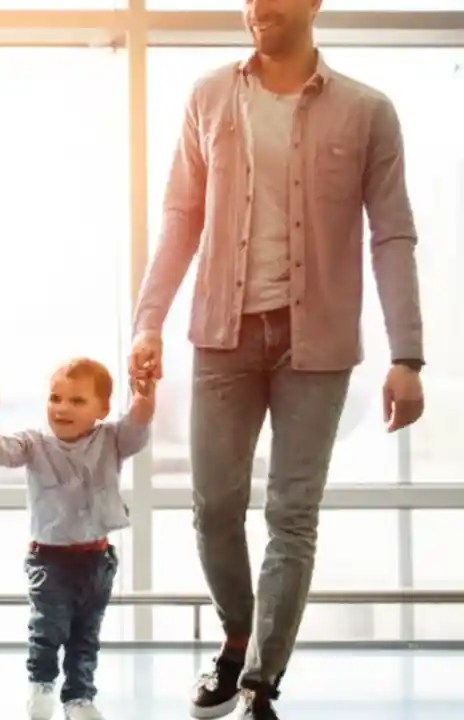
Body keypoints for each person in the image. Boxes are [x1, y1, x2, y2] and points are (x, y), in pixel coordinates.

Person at [128, 1, 427, 718]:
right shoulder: (208, 97)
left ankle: (261, 680)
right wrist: (147, 323)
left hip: (315, 343)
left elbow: (392, 234)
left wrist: (407, 355)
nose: (260, 6)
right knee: (214, 510)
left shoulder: (367, 111)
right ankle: (237, 636)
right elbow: (180, 216)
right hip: (222, 336)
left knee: (292, 514)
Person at [0, 358, 155, 720]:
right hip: (49, 560)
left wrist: (145, 397)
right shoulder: (33, 443)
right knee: (48, 628)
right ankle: (40, 686)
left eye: (77, 401)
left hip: (97, 560)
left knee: (85, 636)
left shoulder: (111, 438)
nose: (63, 408)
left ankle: (78, 698)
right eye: (56, 398)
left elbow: (138, 427)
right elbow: (0, 453)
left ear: (102, 408)